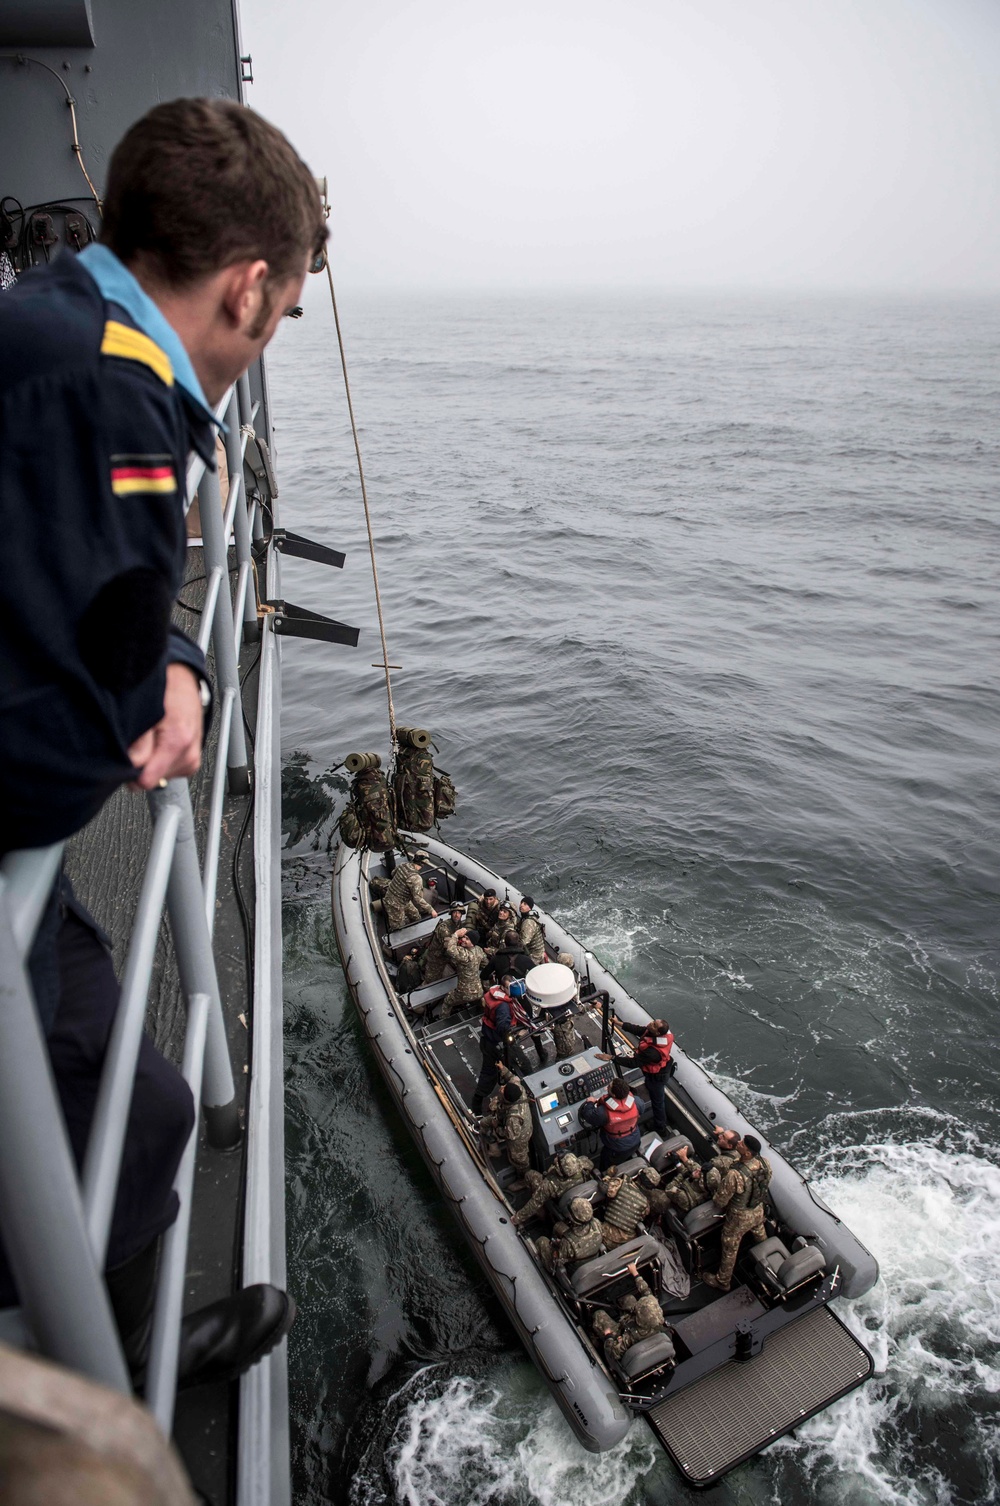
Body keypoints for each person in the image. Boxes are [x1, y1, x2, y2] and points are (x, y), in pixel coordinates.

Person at [0, 96, 326, 1381]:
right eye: (286, 312)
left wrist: (172, 664)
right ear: (248, 289)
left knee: (134, 1108)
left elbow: (101, 618)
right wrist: (152, 706)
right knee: (135, 1118)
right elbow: (93, 701)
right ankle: (101, 1397)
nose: (271, 339)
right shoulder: (117, 400)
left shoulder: (51, 327)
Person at [701, 1135, 772, 1291]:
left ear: (746, 1153)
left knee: (730, 1245)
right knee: (759, 1232)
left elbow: (720, 1201)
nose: (738, 1143)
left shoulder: (735, 1174)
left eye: (742, 1143)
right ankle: (768, 1258)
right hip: (757, 1210)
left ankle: (723, 1280)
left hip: (739, 1217)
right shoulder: (764, 1163)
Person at [600, 1017, 673, 1138]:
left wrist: (612, 1058)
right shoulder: (654, 1033)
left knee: (658, 1102)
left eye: (654, 1025)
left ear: (658, 1033)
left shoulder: (653, 1053)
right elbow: (639, 1030)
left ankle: (661, 1128)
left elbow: (633, 1063)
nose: (650, 1024)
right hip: (653, 1071)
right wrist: (620, 1024)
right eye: (653, 1022)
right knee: (653, 1092)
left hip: (657, 1077)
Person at [592, 1262, 666, 1366]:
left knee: (599, 1315)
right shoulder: (654, 1312)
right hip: (634, 1323)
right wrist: (635, 1273)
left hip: (624, 1331)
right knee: (629, 1299)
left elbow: (614, 1353)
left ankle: (595, 1338)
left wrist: (608, 1337)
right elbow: (646, 1291)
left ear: (638, 1318)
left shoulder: (631, 1337)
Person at [479, 1065, 532, 1188]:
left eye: (503, 1089)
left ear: (506, 1099)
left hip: (518, 1136)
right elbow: (513, 1078)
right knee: (484, 1123)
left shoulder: (514, 1118)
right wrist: (503, 1069)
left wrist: (496, 1128)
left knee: (519, 1158)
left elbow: (510, 1134)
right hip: (506, 1120)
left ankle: (523, 1180)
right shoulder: (519, 1090)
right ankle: (494, 1150)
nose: (501, 1087)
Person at [511, 1151, 595, 1227]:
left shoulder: (549, 1185)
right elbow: (591, 1165)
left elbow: (534, 1204)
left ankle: (542, 1212)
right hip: (577, 1195)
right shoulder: (585, 1164)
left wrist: (517, 1218)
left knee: (530, 1175)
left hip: (559, 1200)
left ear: (560, 1170)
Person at [579, 1076, 641, 1170]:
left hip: (616, 1149)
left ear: (614, 1095)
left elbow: (588, 1116)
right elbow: (641, 1110)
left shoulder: (603, 1113)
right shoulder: (637, 1102)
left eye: (609, 1087)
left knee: (606, 1166)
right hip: (635, 1141)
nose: (607, 1087)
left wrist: (590, 1103)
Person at [467, 980, 512, 1110]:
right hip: (496, 1044)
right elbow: (503, 1026)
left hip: (489, 1039)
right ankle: (477, 1101)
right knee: (489, 1073)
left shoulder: (494, 993)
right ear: (503, 988)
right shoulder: (503, 1007)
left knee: (490, 1071)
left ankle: (478, 1100)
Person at [534, 1198, 604, 1274]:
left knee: (541, 1240)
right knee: (558, 1226)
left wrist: (557, 1246)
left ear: (573, 1218)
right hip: (591, 1261)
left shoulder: (568, 1242)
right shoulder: (597, 1223)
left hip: (575, 1271)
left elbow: (558, 1261)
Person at [438, 928, 490, 1019]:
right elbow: (485, 964)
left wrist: (456, 934)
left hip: (464, 992)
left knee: (447, 1001)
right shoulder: (479, 950)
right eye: (464, 937)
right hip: (478, 990)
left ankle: (443, 1020)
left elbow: (450, 950)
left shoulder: (465, 954)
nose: (464, 940)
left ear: (472, 943)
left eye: (467, 939)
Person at [376, 852, 435, 932]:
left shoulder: (403, 865)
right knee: (397, 928)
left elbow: (393, 873)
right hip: (394, 903)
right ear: (423, 864)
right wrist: (431, 910)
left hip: (403, 900)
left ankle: (414, 931)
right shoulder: (416, 879)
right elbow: (418, 899)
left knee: (416, 916)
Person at [599, 1170, 651, 1249]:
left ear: (639, 1176)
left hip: (606, 1236)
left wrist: (608, 1175)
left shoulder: (620, 1184)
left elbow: (603, 1186)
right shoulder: (646, 1204)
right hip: (629, 1242)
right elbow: (641, 1218)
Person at [420, 902, 464, 984]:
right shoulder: (444, 928)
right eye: (454, 912)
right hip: (436, 958)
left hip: (445, 956)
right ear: (451, 914)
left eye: (459, 913)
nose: (457, 915)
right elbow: (448, 947)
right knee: (430, 980)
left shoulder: (459, 924)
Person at [516, 897, 546, 966]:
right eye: (521, 903)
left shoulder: (528, 922)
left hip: (534, 955)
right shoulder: (526, 917)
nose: (521, 905)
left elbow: (524, 942)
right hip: (536, 952)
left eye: (525, 904)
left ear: (529, 908)